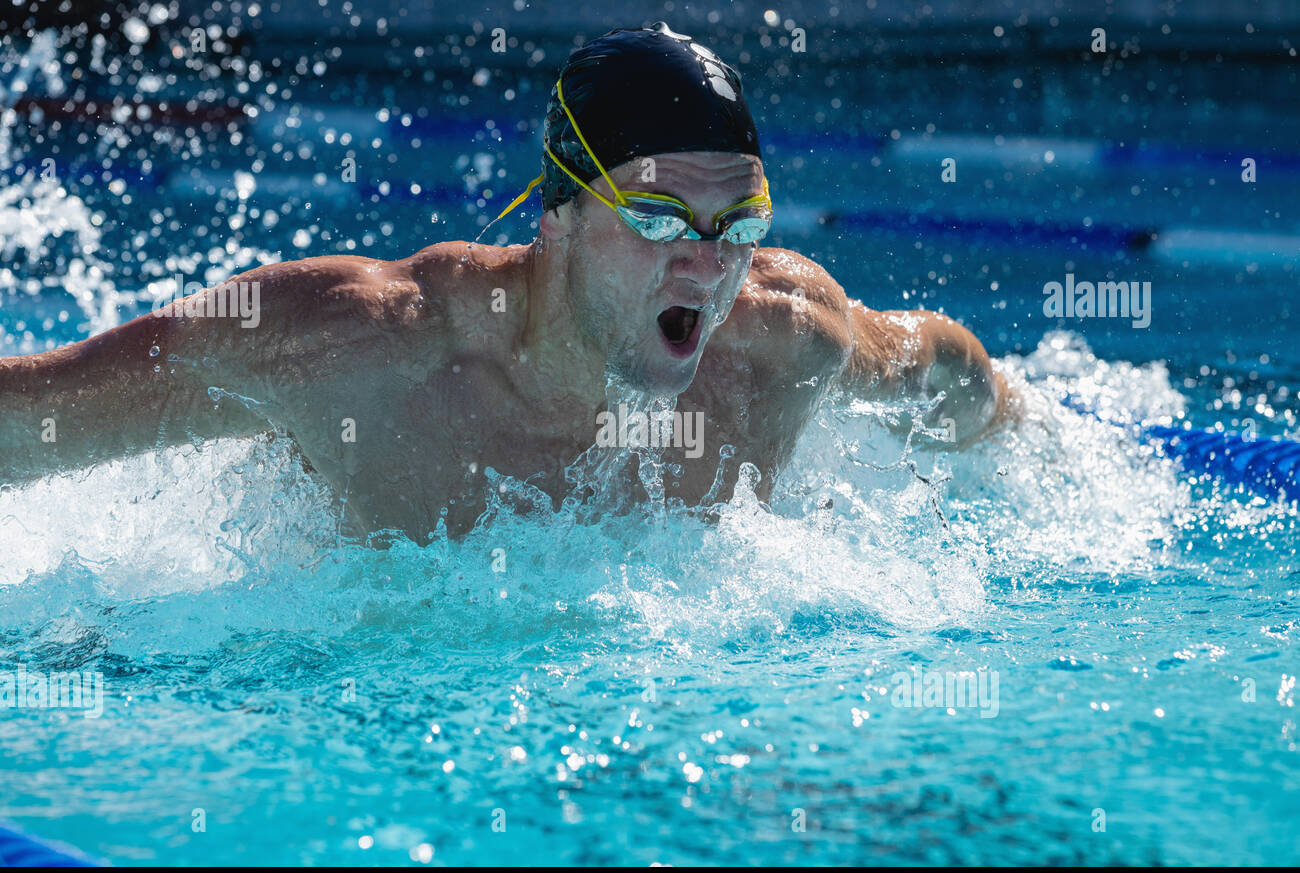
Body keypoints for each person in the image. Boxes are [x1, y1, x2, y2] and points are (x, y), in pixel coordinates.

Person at [0, 22, 1020, 540]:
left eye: (737, 225)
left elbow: (940, 364)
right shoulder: (351, 345)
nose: (707, 268)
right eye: (660, 219)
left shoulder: (783, 340)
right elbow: (29, 415)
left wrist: (1031, 441)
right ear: (560, 214)